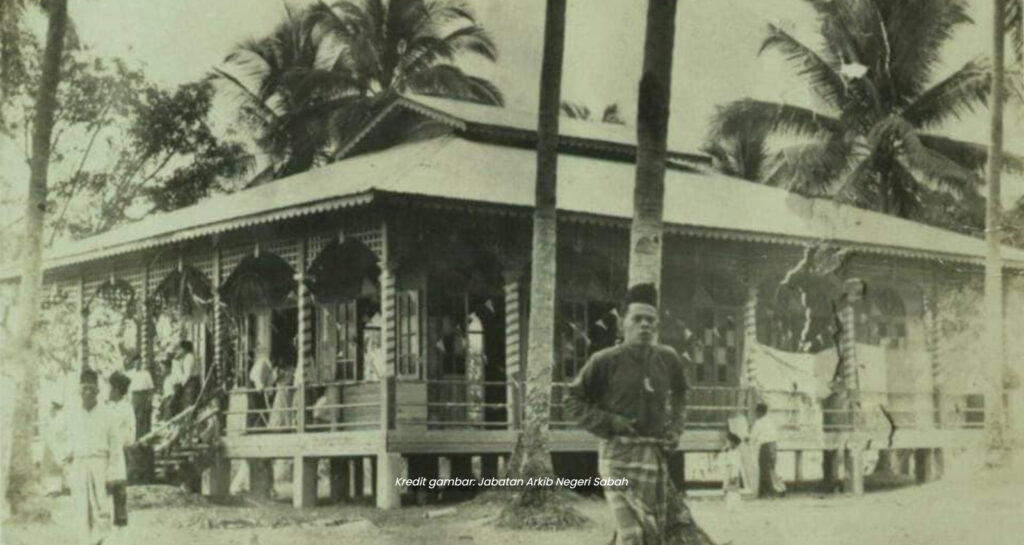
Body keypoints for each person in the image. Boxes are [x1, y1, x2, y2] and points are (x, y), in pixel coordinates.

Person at [566, 283, 716, 545]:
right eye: (637, 319)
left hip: (654, 457)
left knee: (653, 533)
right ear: (623, 323)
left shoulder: (668, 358)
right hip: (617, 457)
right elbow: (572, 399)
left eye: (650, 320)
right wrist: (610, 422)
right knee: (632, 535)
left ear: (656, 326)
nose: (644, 325)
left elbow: (682, 394)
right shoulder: (604, 360)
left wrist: (675, 430)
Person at [65, 367, 126, 545]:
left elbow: (115, 447)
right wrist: (67, 454)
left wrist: (114, 474)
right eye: (85, 388)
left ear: (98, 391)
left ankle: (101, 541)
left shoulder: (108, 415)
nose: (88, 393)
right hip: (80, 464)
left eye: (92, 389)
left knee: (101, 509)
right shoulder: (72, 413)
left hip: (101, 464)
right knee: (81, 509)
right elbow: (56, 434)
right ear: (79, 391)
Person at [107, 371, 135, 534]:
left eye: (110, 388)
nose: (108, 391)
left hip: (118, 450)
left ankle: (120, 521)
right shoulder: (104, 406)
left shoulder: (126, 408)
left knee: (119, 485)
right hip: (104, 450)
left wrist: (120, 442)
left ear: (116, 390)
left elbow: (131, 432)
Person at [748, 402, 786, 497]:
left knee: (764, 469)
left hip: (765, 446)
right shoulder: (770, 421)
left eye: (756, 413)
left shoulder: (759, 422)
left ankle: (768, 491)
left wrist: (747, 439)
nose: (756, 415)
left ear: (759, 412)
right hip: (773, 445)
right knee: (772, 468)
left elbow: (753, 436)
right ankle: (779, 488)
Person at [125, 355, 154, 439]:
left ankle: (146, 438)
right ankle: (137, 439)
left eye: (139, 362)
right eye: (136, 362)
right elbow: (127, 389)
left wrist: (149, 399)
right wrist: (128, 399)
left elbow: (151, 388)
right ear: (133, 363)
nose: (138, 364)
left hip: (144, 396)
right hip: (134, 397)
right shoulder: (130, 374)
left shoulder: (146, 374)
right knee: (135, 418)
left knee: (145, 418)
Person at [718, 432, 744, 512]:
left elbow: (736, 465)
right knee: (727, 488)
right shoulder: (728, 453)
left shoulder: (736, 453)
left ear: (733, 443)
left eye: (728, 442)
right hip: (728, 470)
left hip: (733, 471)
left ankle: (735, 506)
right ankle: (729, 505)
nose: (727, 444)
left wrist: (734, 475)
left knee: (733, 490)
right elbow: (721, 460)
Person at [174, 340, 201, 412]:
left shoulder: (189, 358)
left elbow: (187, 375)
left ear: (184, 349)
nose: (177, 351)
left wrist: (182, 383)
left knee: (189, 404)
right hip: (189, 383)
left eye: (179, 349)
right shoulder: (185, 358)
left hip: (191, 384)